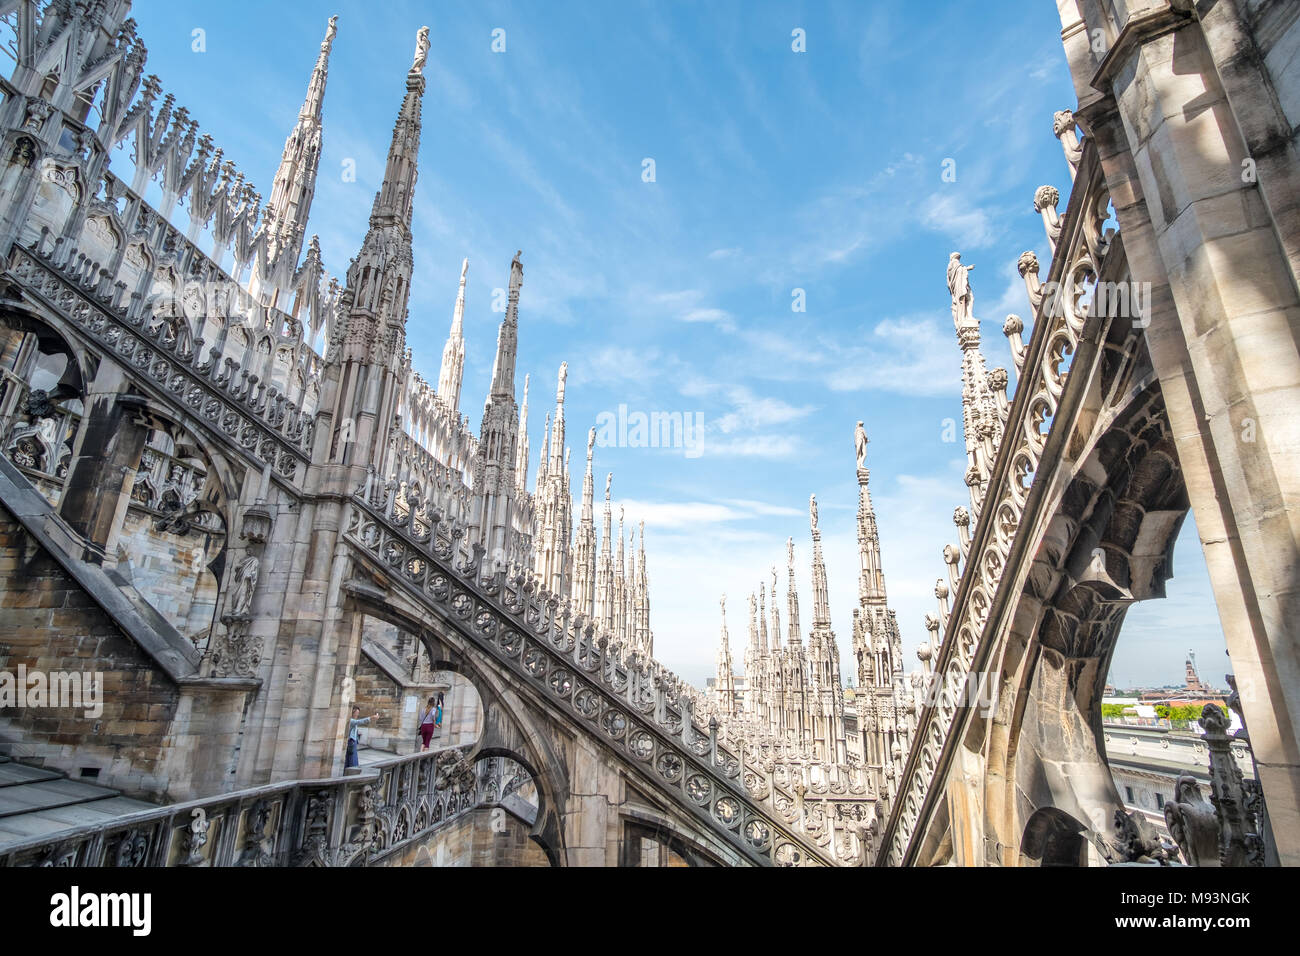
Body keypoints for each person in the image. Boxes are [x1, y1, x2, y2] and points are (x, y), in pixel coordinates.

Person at [345, 705, 379, 769]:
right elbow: (360, 722)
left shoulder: (353, 720)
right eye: (356, 713)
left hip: (354, 742)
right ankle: (351, 771)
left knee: (352, 758)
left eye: (358, 713)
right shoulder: (351, 720)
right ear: (352, 713)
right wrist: (372, 717)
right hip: (351, 742)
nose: (357, 714)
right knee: (351, 759)